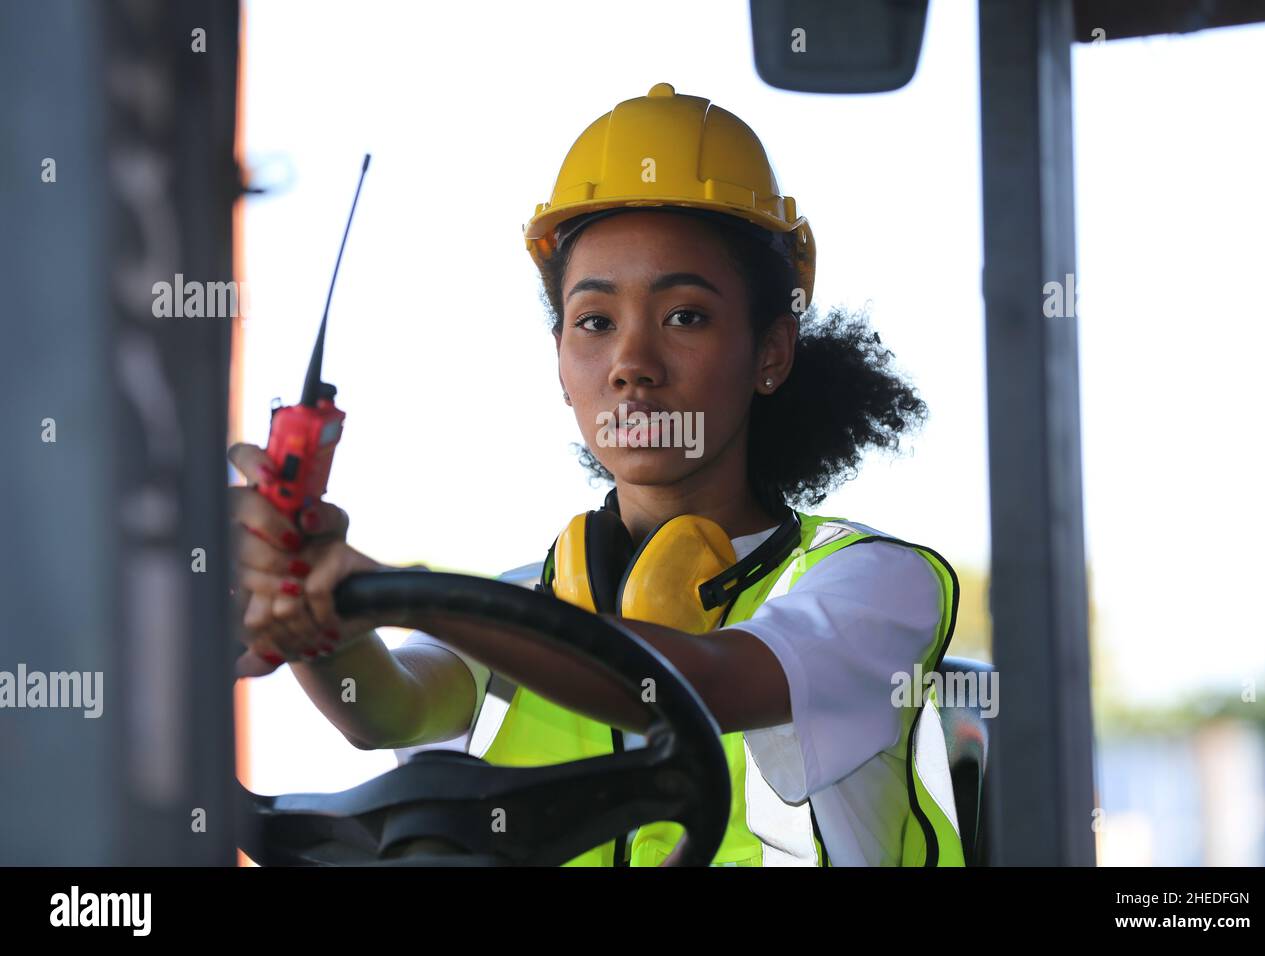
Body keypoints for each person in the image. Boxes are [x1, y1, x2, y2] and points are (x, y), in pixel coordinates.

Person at [228, 83, 964, 867]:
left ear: (771, 355)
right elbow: (381, 710)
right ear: (560, 363)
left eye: (686, 316)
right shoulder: (522, 600)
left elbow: (700, 683)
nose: (631, 366)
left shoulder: (877, 586)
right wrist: (305, 603)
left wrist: (397, 587)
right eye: (595, 322)